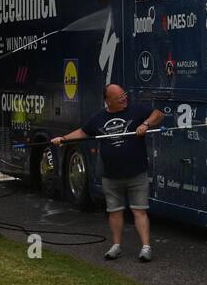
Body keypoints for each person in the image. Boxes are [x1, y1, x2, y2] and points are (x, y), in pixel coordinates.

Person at [52, 85, 164, 262]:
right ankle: (116, 246)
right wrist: (63, 139)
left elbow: (158, 113)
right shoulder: (99, 118)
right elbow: (82, 132)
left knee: (139, 211)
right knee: (115, 212)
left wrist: (146, 124)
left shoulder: (136, 110)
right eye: (119, 98)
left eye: (124, 95)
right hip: (111, 175)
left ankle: (146, 247)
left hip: (136, 173)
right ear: (108, 101)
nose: (124, 99)